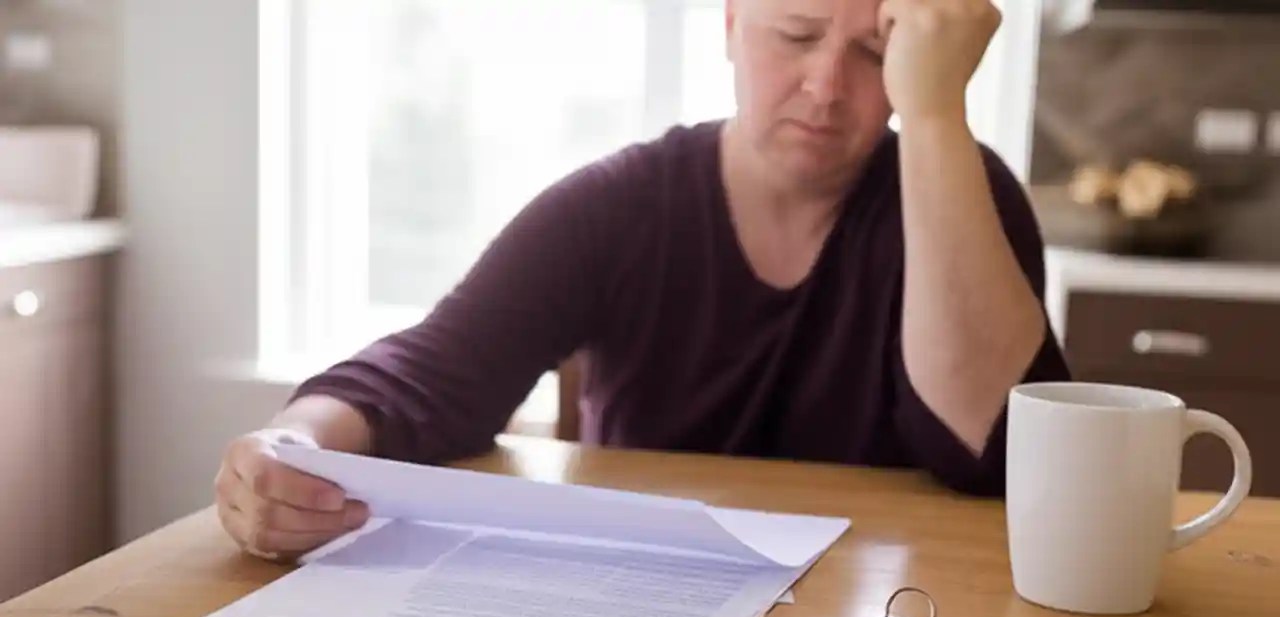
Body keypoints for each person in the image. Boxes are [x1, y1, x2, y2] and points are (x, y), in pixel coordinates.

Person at [214, 0, 1070, 560]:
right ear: (732, 23)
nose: (826, 87)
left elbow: (993, 449)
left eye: (875, 54)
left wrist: (933, 114)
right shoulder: (623, 204)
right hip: (644, 613)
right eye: (798, 36)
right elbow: (433, 372)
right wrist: (293, 448)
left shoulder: (957, 186)